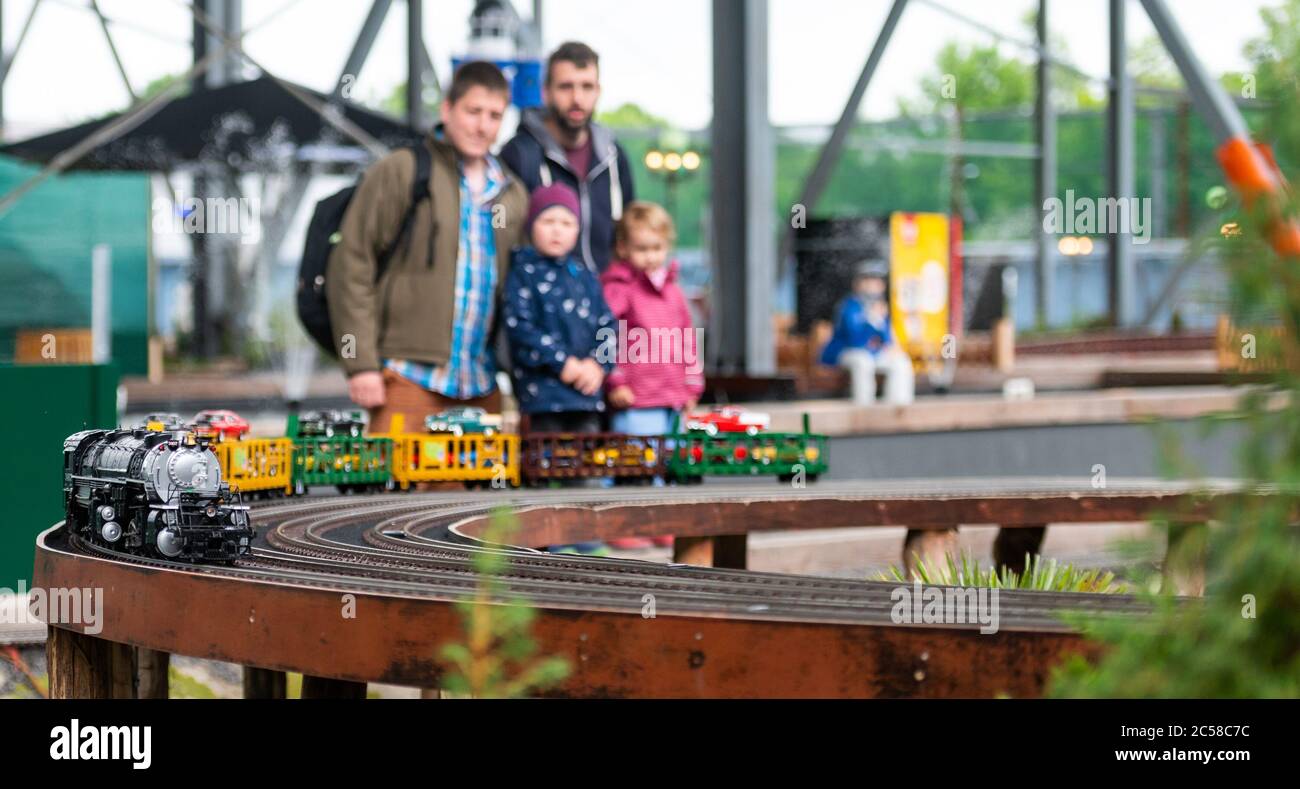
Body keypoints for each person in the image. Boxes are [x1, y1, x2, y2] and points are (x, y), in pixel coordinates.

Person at [327, 61, 528, 434]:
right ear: (447, 109)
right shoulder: (404, 170)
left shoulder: (512, 193)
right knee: (397, 491)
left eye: (494, 115)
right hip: (408, 379)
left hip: (481, 385)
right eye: (472, 111)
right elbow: (352, 264)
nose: (482, 125)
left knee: (479, 494)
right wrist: (360, 364)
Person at [505, 183, 615, 555]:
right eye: (548, 220)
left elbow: (608, 327)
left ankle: (586, 543)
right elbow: (521, 330)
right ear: (532, 224)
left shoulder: (585, 275)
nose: (557, 229)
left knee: (585, 474)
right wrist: (563, 364)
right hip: (542, 401)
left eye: (566, 222)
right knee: (542, 473)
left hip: (584, 400)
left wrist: (598, 367)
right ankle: (543, 545)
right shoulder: (522, 271)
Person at [601, 202, 702, 549]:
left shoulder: (674, 292)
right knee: (634, 460)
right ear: (623, 248)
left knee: (663, 462)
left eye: (657, 248)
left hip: (670, 395)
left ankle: (657, 521)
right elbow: (605, 335)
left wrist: (692, 383)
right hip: (637, 396)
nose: (650, 256)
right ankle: (623, 525)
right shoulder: (619, 288)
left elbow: (688, 338)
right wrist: (615, 380)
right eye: (642, 249)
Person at [500, 41, 635, 274]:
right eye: (566, 86)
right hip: (540, 301)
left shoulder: (614, 156)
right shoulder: (519, 154)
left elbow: (631, 230)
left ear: (598, 91)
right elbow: (498, 223)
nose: (577, 98)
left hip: (606, 300)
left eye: (587, 86)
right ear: (546, 92)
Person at [820, 262, 915, 406]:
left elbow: (886, 339)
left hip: (873, 353)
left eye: (877, 281)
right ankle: (864, 407)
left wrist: (890, 344)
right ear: (858, 284)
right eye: (868, 280)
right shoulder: (849, 306)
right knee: (862, 361)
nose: (873, 285)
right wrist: (872, 320)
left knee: (901, 361)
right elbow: (855, 341)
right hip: (845, 353)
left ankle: (898, 407)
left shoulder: (881, 306)